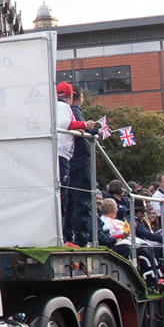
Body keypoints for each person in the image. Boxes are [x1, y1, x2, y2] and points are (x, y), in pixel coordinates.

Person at [54, 83, 95, 246]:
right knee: (63, 198)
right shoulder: (64, 107)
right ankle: (65, 238)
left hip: (60, 155)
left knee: (64, 198)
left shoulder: (54, 106)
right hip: (62, 155)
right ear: (71, 96)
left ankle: (64, 237)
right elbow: (63, 123)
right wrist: (85, 125)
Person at [66, 88, 96, 245]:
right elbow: (80, 129)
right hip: (79, 162)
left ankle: (70, 237)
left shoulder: (67, 111)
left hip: (71, 161)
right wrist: (94, 130)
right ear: (80, 97)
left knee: (70, 202)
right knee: (81, 201)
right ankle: (81, 239)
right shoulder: (74, 111)